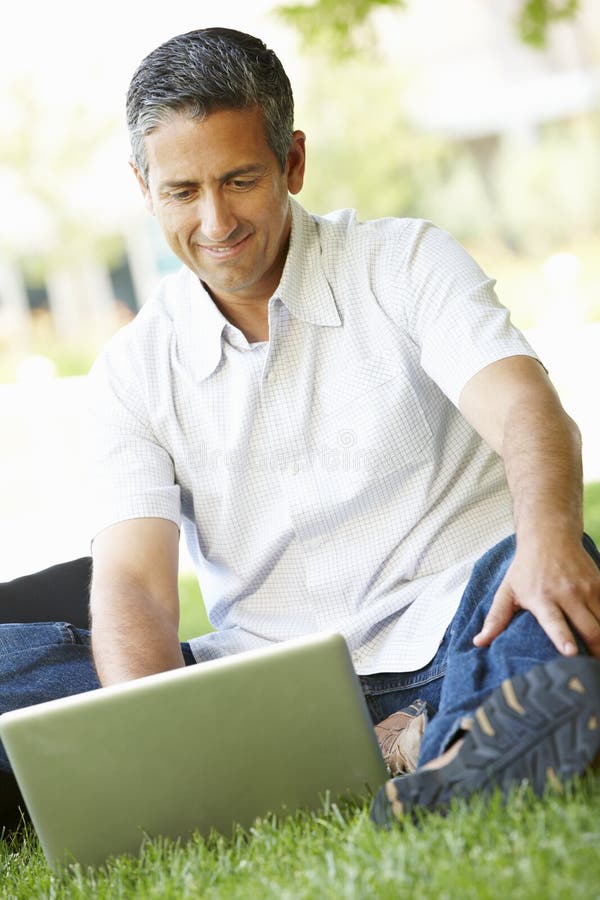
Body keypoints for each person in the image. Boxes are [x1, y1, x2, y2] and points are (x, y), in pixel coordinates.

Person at [1, 27, 599, 831]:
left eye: (240, 179)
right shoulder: (131, 369)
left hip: (462, 628)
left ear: (293, 162)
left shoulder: (405, 261)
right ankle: (431, 746)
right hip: (262, 685)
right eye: (182, 192)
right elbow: (138, 589)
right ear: (143, 187)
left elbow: (529, 411)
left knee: (557, 588)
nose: (215, 221)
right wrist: (154, 734)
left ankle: (445, 740)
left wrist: (551, 540)